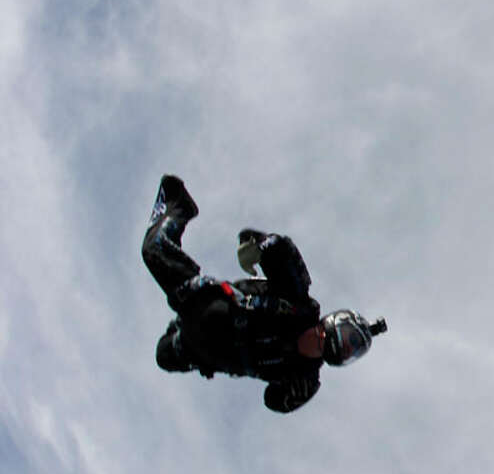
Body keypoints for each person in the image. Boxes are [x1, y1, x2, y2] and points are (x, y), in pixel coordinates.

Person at [142, 174, 386, 413]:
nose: (347, 346)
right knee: (154, 250)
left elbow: (273, 401)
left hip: (202, 351)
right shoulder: (297, 303)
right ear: (334, 321)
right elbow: (284, 253)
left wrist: (293, 397)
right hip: (202, 304)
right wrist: (259, 245)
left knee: (163, 357)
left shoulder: (304, 378)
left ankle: (179, 328)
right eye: (349, 338)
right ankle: (179, 205)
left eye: (352, 350)